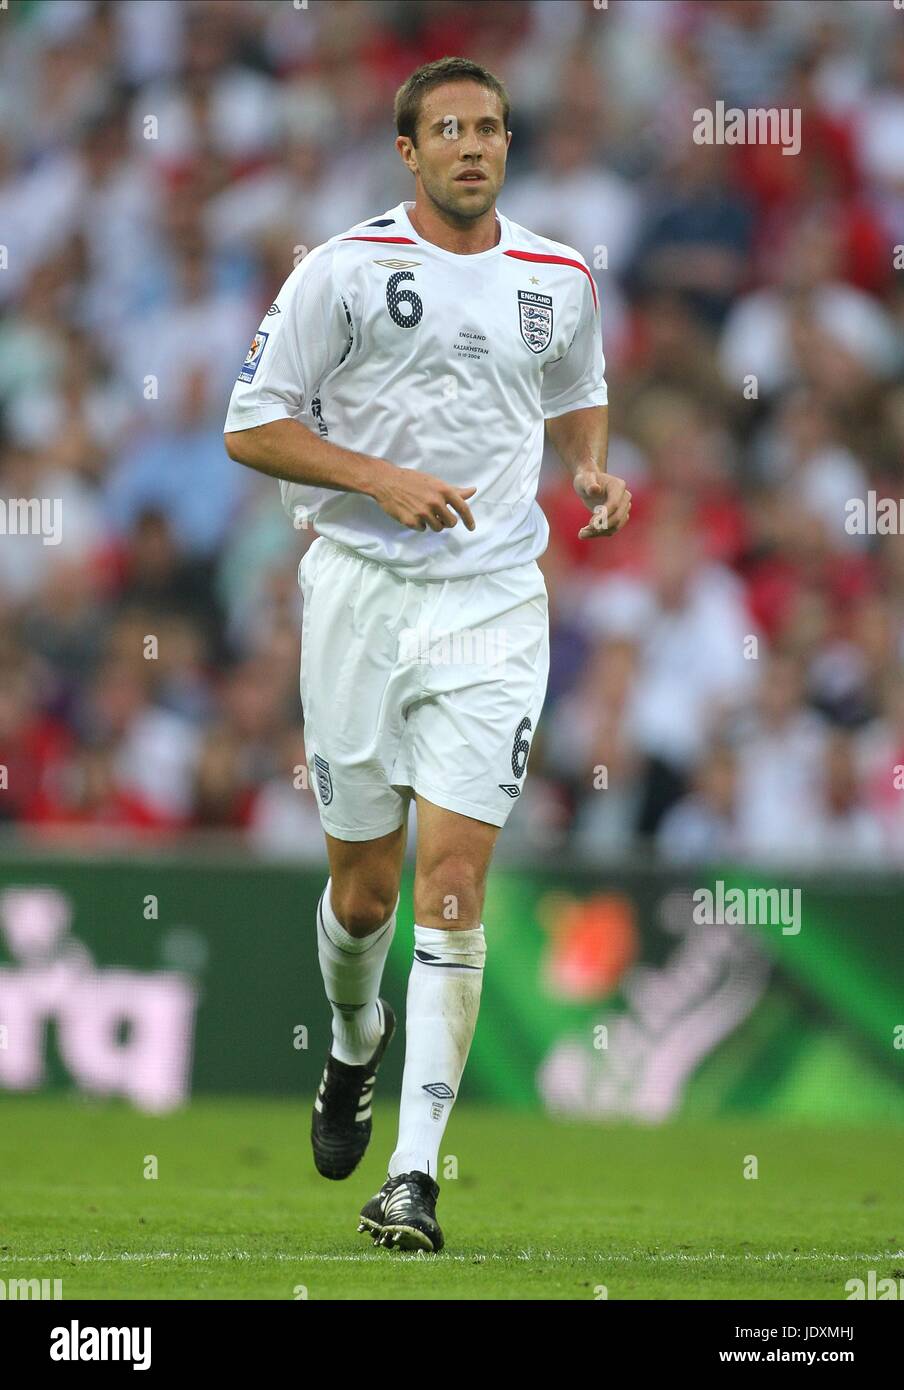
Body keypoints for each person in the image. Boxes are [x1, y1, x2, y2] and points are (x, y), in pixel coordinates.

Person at [223, 56, 631, 1254]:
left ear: (509, 144)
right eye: (448, 129)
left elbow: (579, 391)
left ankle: (411, 1178)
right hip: (357, 595)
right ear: (408, 153)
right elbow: (252, 425)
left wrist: (593, 468)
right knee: (365, 891)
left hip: (495, 602)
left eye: (491, 127)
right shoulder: (341, 269)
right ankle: (353, 1045)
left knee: (452, 883)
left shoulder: (557, 276)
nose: (473, 144)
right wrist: (377, 478)